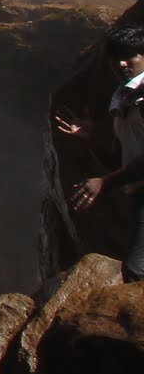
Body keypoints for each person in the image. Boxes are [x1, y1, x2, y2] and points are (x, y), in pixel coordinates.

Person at [63, 24, 144, 282]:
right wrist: (90, 141)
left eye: (130, 56)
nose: (121, 64)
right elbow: (121, 162)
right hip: (139, 194)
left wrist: (105, 183)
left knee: (136, 269)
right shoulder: (124, 99)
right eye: (115, 59)